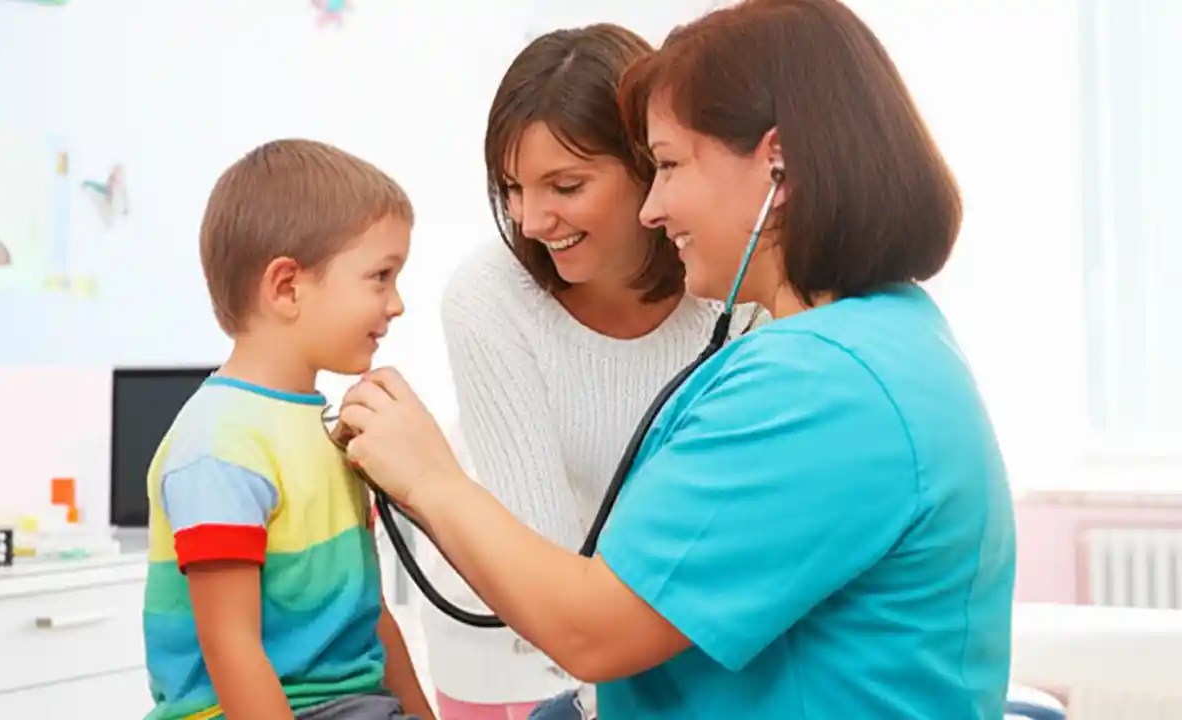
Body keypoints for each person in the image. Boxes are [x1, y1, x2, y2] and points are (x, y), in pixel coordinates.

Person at [335, 1, 1016, 718]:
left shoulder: (817, 387)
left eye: (666, 166)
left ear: (777, 167)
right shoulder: (880, 338)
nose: (653, 209)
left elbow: (590, 632)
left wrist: (430, 478)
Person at [430, 23, 758, 720]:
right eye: (513, 187)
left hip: (651, 642)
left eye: (566, 185)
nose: (532, 218)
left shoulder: (739, 294)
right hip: (526, 644)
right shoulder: (488, 298)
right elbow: (550, 560)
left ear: (652, 166)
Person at [141, 139, 434, 720]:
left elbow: (369, 617)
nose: (396, 303)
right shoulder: (221, 445)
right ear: (286, 288)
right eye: (380, 277)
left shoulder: (326, 431)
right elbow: (232, 645)